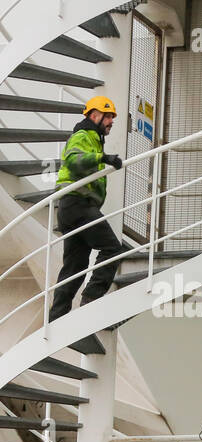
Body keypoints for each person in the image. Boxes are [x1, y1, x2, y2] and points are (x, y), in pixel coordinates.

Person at [49, 96, 127, 321]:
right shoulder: (83, 135)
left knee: (75, 266)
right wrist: (104, 158)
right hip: (78, 204)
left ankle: (56, 319)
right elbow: (73, 160)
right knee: (113, 248)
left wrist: (102, 156)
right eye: (108, 116)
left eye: (112, 117)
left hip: (71, 208)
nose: (111, 121)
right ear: (94, 115)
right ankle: (91, 300)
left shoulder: (93, 138)